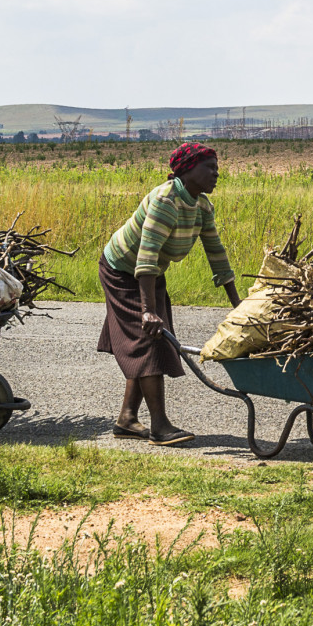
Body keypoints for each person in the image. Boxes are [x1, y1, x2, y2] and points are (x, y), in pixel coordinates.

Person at [98, 142, 240, 445]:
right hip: (123, 269)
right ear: (188, 170)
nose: (216, 174)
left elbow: (217, 254)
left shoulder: (202, 206)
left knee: (154, 340)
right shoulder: (166, 200)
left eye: (217, 168)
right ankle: (160, 426)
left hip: (150, 273)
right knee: (148, 340)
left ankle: (127, 419)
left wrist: (238, 306)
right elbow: (146, 255)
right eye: (209, 167)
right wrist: (148, 311)